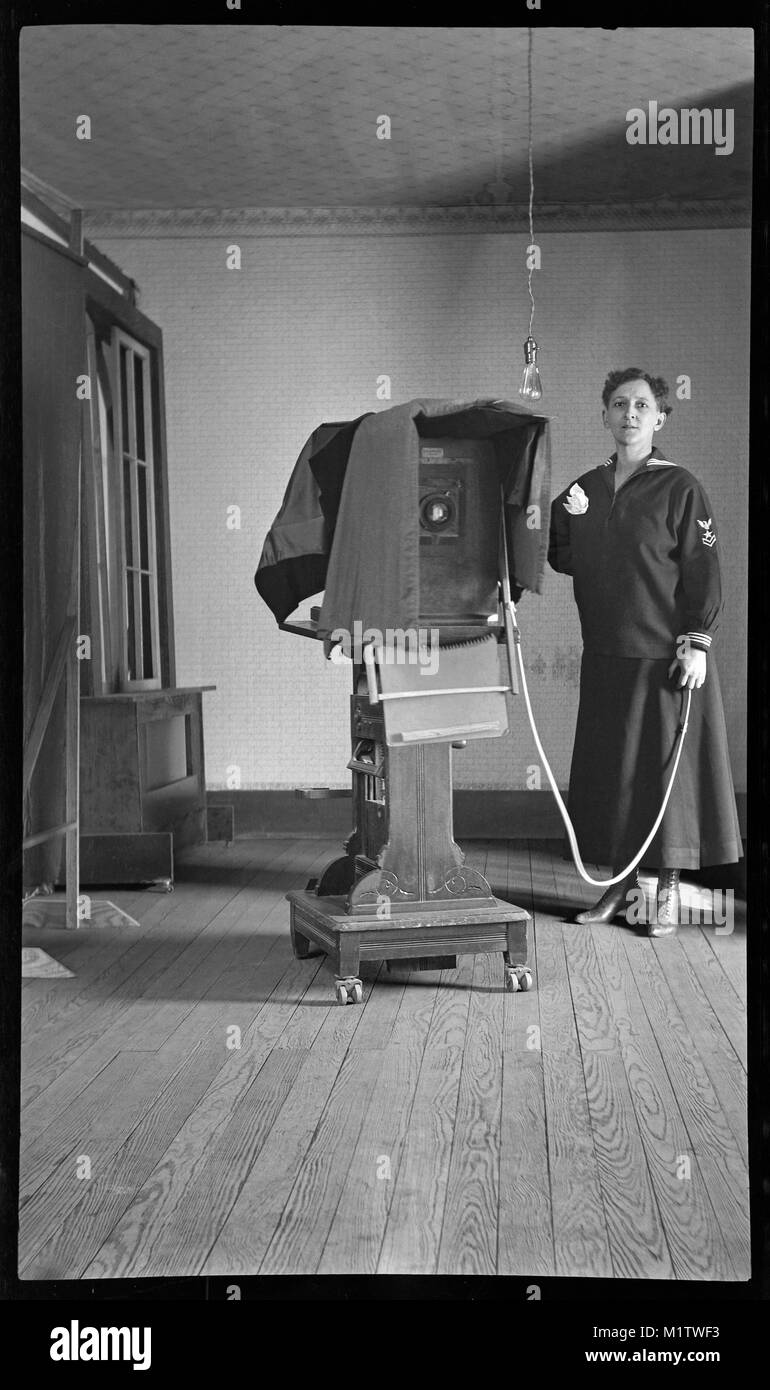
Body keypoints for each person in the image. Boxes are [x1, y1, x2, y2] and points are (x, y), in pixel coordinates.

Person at [547, 369, 742, 934]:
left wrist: (697, 642)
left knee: (665, 778)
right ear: (605, 415)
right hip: (607, 654)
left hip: (666, 658)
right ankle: (621, 888)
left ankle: (667, 891)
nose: (628, 414)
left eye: (640, 405)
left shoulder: (681, 487)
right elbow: (561, 556)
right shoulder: (587, 487)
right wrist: (569, 516)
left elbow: (704, 568)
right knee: (615, 775)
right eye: (618, 404)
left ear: (660, 418)